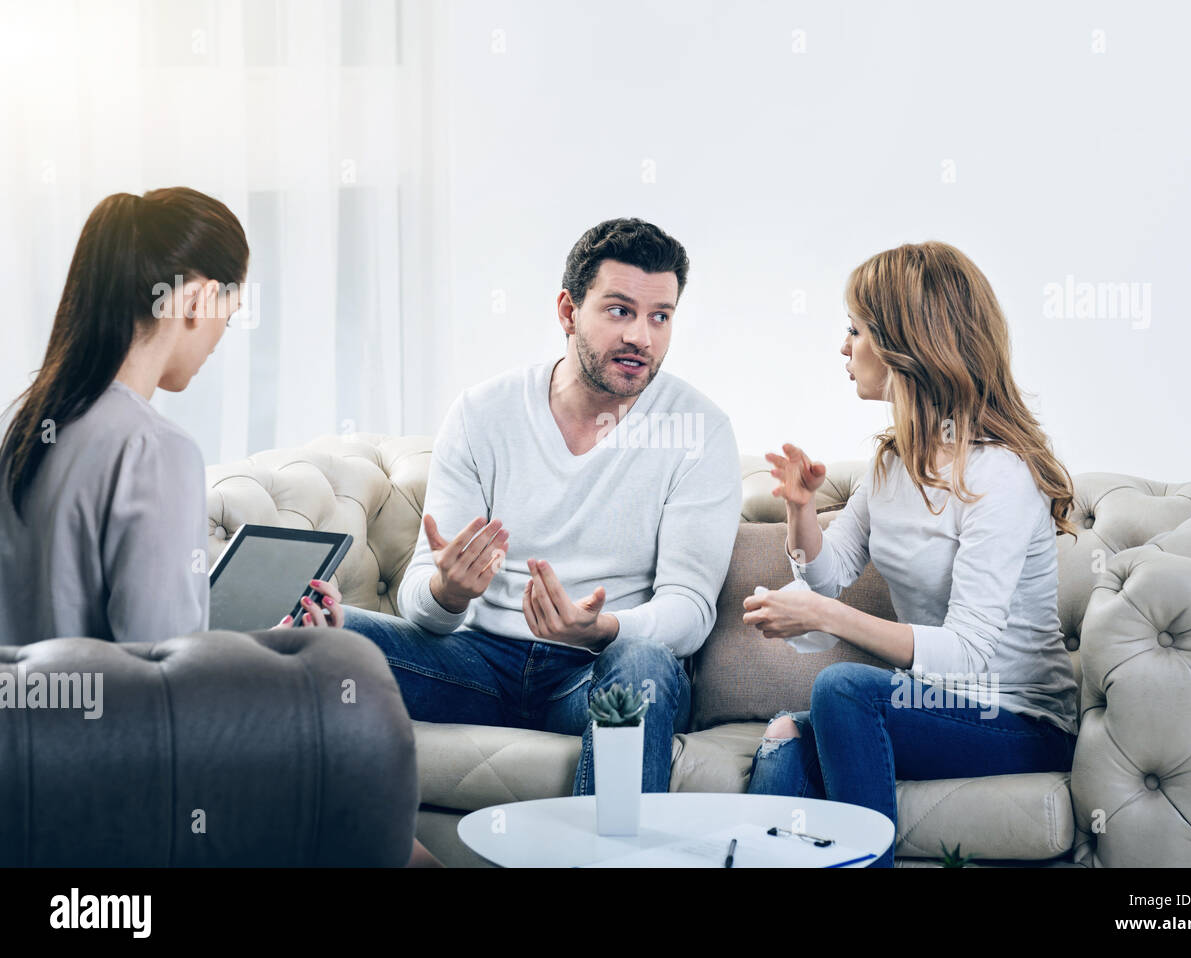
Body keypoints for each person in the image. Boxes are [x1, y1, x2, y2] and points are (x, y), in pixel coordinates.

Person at [0, 188, 439, 866]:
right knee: (375, 811)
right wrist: (281, 668)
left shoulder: (26, 431)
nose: (215, 346)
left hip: (31, 773)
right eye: (225, 320)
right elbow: (167, 682)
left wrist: (264, 643)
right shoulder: (154, 448)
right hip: (125, 783)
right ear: (196, 300)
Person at [343, 217, 742, 797]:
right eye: (619, 310)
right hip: (475, 663)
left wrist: (602, 629)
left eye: (661, 316)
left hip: (594, 674)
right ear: (567, 311)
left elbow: (689, 609)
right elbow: (421, 597)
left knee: (645, 668)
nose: (642, 338)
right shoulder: (484, 412)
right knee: (325, 635)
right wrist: (448, 593)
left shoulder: (699, 429)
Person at [742, 241, 1079, 869]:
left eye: (856, 330)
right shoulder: (893, 464)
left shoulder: (999, 475)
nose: (844, 347)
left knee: (842, 688)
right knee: (786, 735)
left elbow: (969, 654)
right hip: (933, 709)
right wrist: (799, 510)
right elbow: (829, 574)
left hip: (1019, 721)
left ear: (906, 344)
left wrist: (825, 618)